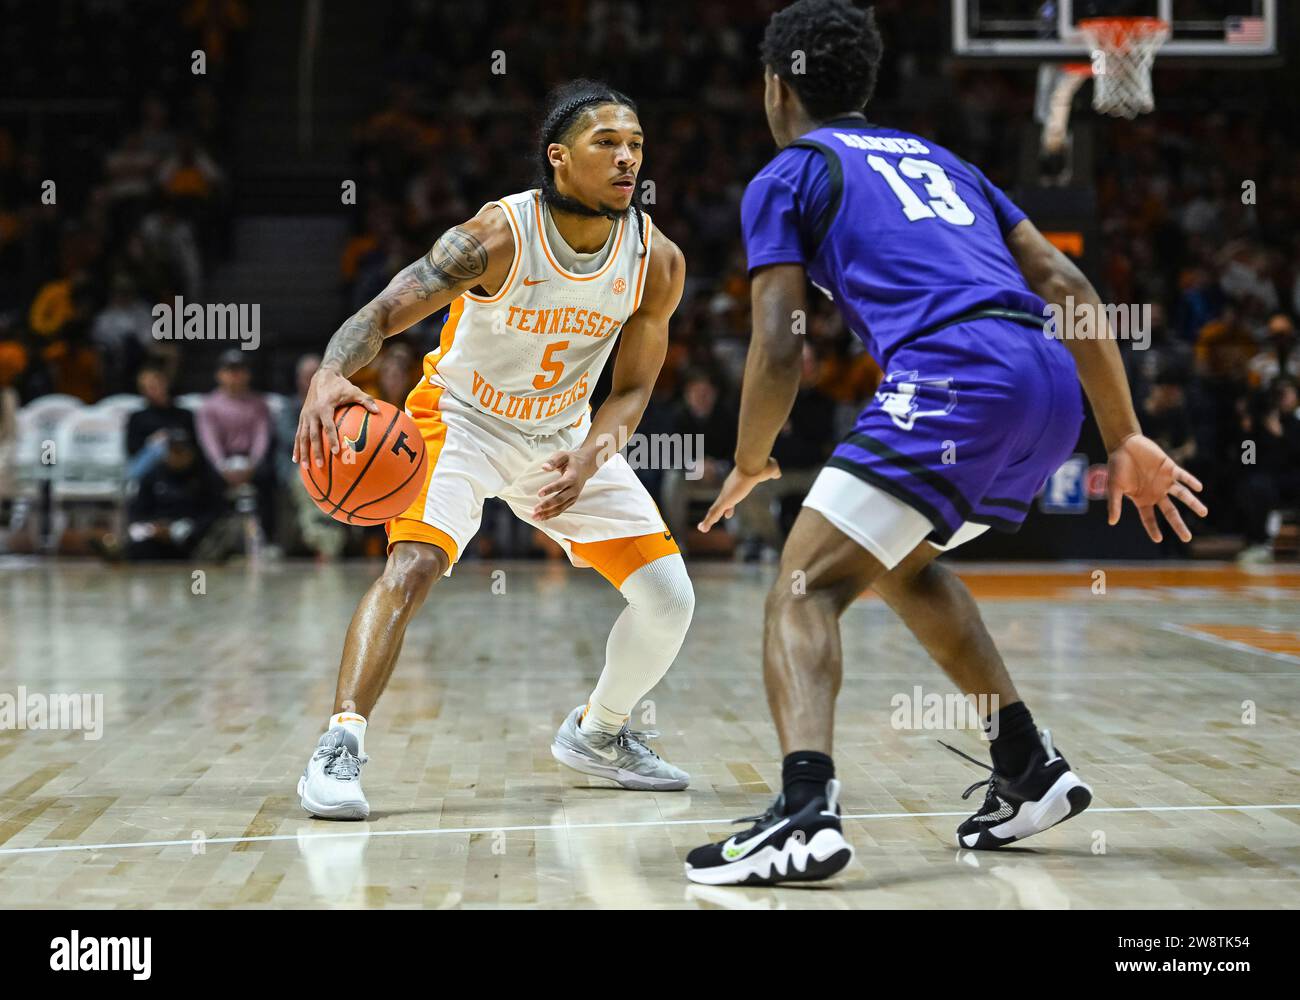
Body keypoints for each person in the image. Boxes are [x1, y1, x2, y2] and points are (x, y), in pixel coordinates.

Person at [684, 0, 1207, 886]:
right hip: (1045, 384)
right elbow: (1067, 280)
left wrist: (747, 458)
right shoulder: (941, 159)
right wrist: (1124, 433)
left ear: (776, 87)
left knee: (802, 587)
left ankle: (804, 812)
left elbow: (779, 340)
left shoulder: (788, 173)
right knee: (898, 563)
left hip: (956, 373)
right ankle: (1026, 766)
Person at [292, 80, 693, 820]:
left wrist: (595, 452)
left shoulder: (656, 260)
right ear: (559, 157)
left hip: (564, 436)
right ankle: (338, 746)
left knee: (670, 600)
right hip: (461, 423)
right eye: (607, 143)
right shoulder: (494, 238)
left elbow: (634, 389)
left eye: (635, 144)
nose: (627, 158)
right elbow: (382, 313)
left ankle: (599, 734)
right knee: (411, 567)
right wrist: (326, 376)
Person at [124, 429, 225, 560]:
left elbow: (216, 511)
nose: (177, 457)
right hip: (157, 533)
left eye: (182, 451)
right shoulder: (152, 476)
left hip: (194, 534)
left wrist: (186, 528)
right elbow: (137, 510)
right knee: (137, 548)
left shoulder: (206, 477)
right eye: (173, 451)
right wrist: (154, 527)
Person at [126, 363, 196, 481]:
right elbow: (132, 448)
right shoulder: (137, 417)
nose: (153, 390)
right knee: (158, 446)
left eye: (155, 385)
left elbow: (195, 444)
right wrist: (152, 441)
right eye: (148, 387)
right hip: (151, 464)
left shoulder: (185, 414)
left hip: (182, 460)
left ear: (165, 383)